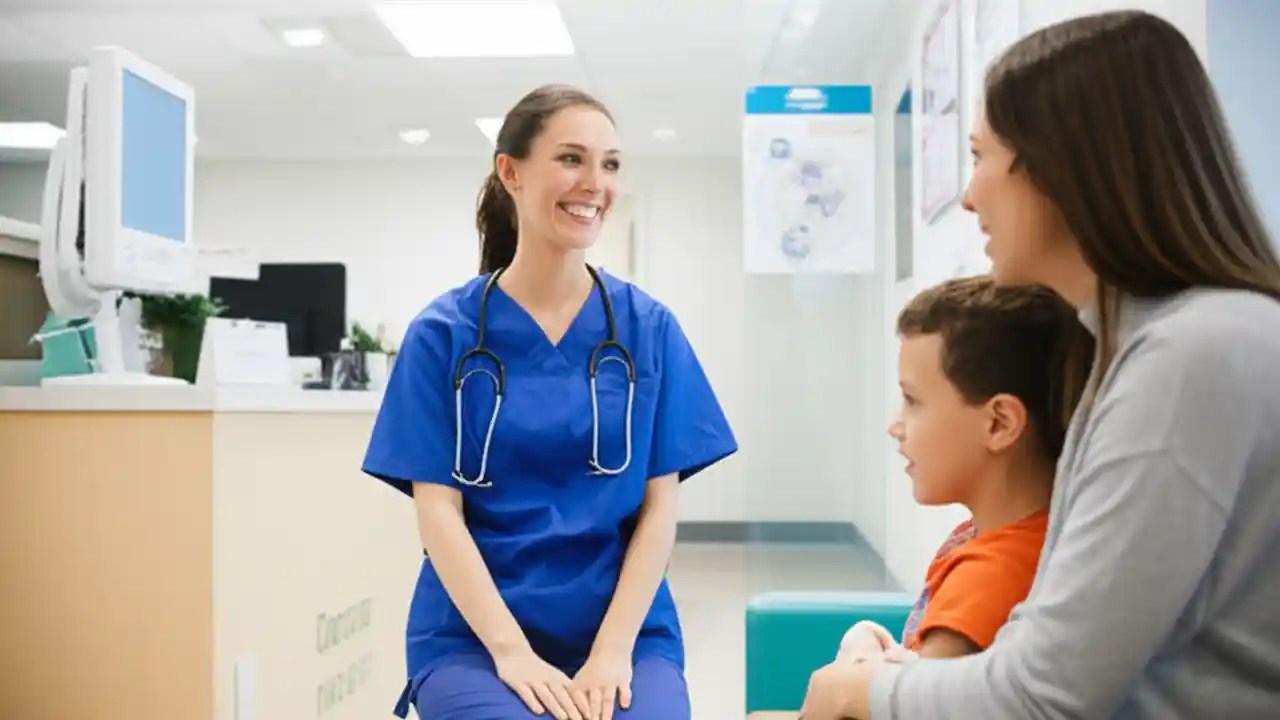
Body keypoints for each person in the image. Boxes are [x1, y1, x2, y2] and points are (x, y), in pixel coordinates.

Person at [800, 10, 1280, 720]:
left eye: (980, 156)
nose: (969, 196)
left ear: (1062, 166)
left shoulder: (1191, 354)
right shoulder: (1142, 350)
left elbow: (1042, 696)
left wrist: (856, 688)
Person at [362, 84, 737, 720]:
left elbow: (659, 509)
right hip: (475, 634)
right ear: (510, 171)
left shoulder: (648, 329)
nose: (595, 182)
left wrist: (614, 650)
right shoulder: (443, 335)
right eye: (571, 158)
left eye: (610, 163)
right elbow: (439, 515)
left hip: (621, 627)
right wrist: (510, 652)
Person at [837, 276, 1092, 665]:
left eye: (912, 401)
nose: (895, 425)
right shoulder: (997, 538)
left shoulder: (992, 573)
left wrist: (856, 669)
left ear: (999, 424)